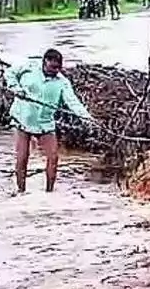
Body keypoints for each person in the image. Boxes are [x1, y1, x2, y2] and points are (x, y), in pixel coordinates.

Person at [7, 48, 94, 193]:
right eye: (53, 67)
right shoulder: (29, 67)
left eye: (58, 68)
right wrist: (16, 88)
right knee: (22, 157)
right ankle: (21, 191)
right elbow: (10, 73)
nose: (56, 71)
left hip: (44, 122)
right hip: (22, 119)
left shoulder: (62, 82)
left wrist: (87, 118)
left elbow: (73, 102)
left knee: (53, 157)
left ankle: (49, 193)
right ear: (44, 62)